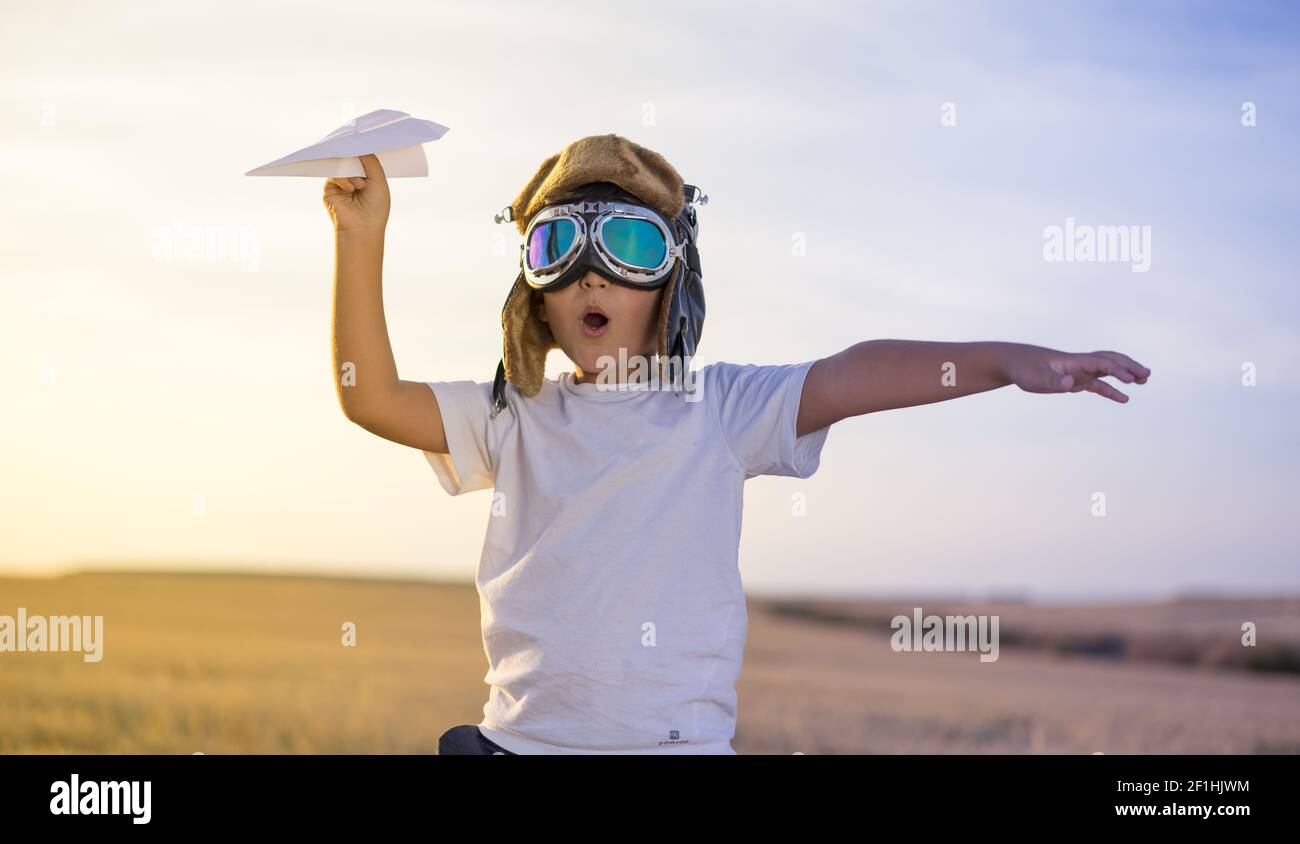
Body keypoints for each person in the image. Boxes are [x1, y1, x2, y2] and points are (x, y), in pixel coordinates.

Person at [324, 134, 1151, 755]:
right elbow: (373, 397)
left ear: (672, 281)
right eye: (557, 249)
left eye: (631, 245)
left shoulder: (716, 409)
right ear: (533, 299)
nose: (593, 274)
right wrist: (360, 239)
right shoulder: (515, 413)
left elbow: (850, 373)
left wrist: (1004, 362)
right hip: (520, 745)